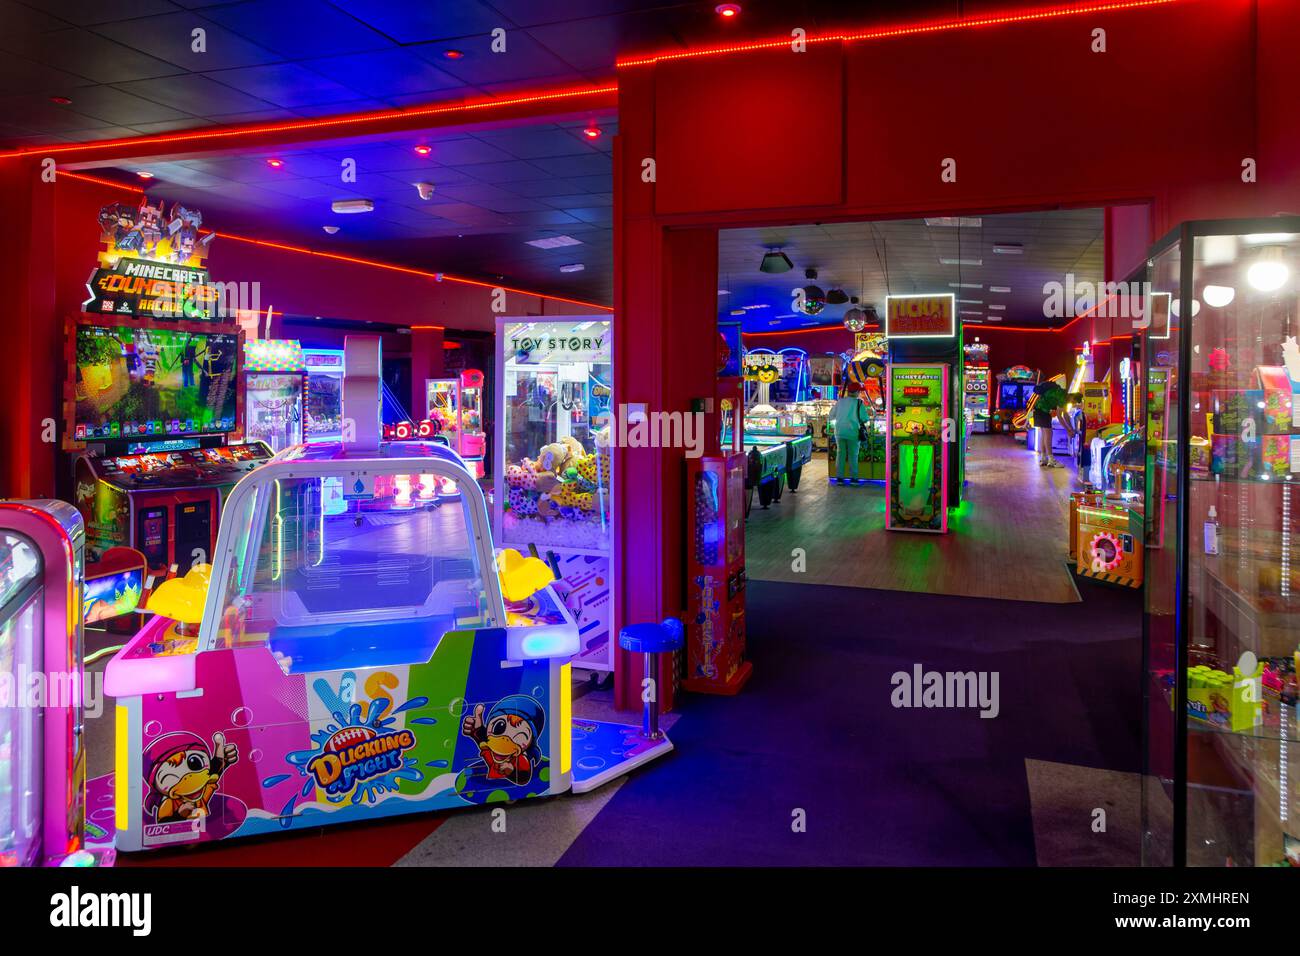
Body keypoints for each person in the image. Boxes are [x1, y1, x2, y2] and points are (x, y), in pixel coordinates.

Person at [1030, 375, 1076, 468]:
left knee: (1044, 435)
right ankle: (1051, 460)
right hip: (1043, 411)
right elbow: (1060, 416)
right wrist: (1068, 429)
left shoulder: (1061, 393)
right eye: (1074, 403)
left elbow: (1065, 414)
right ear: (1072, 399)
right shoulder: (1062, 397)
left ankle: (1043, 458)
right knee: (1048, 434)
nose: (1073, 404)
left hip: (1037, 410)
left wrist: (1070, 427)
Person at [831, 381, 869, 482]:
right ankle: (854, 478)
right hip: (853, 432)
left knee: (840, 454)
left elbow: (831, 416)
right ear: (856, 392)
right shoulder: (859, 403)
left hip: (839, 432)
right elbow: (865, 418)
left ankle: (839, 477)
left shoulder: (840, 401)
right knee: (853, 455)